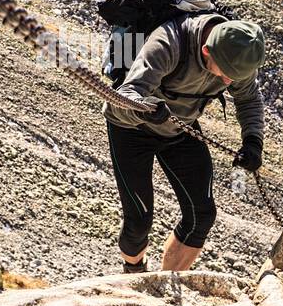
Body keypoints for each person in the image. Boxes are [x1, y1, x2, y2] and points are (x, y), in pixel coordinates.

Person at [103, 15, 265, 272]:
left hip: (180, 128)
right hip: (131, 129)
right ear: (205, 50)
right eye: (225, 76)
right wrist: (146, 108)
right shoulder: (168, 44)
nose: (227, 83)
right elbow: (119, 101)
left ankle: (168, 285)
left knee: (202, 215)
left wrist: (253, 141)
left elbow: (249, 100)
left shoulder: (238, 57)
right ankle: (134, 271)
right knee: (139, 222)